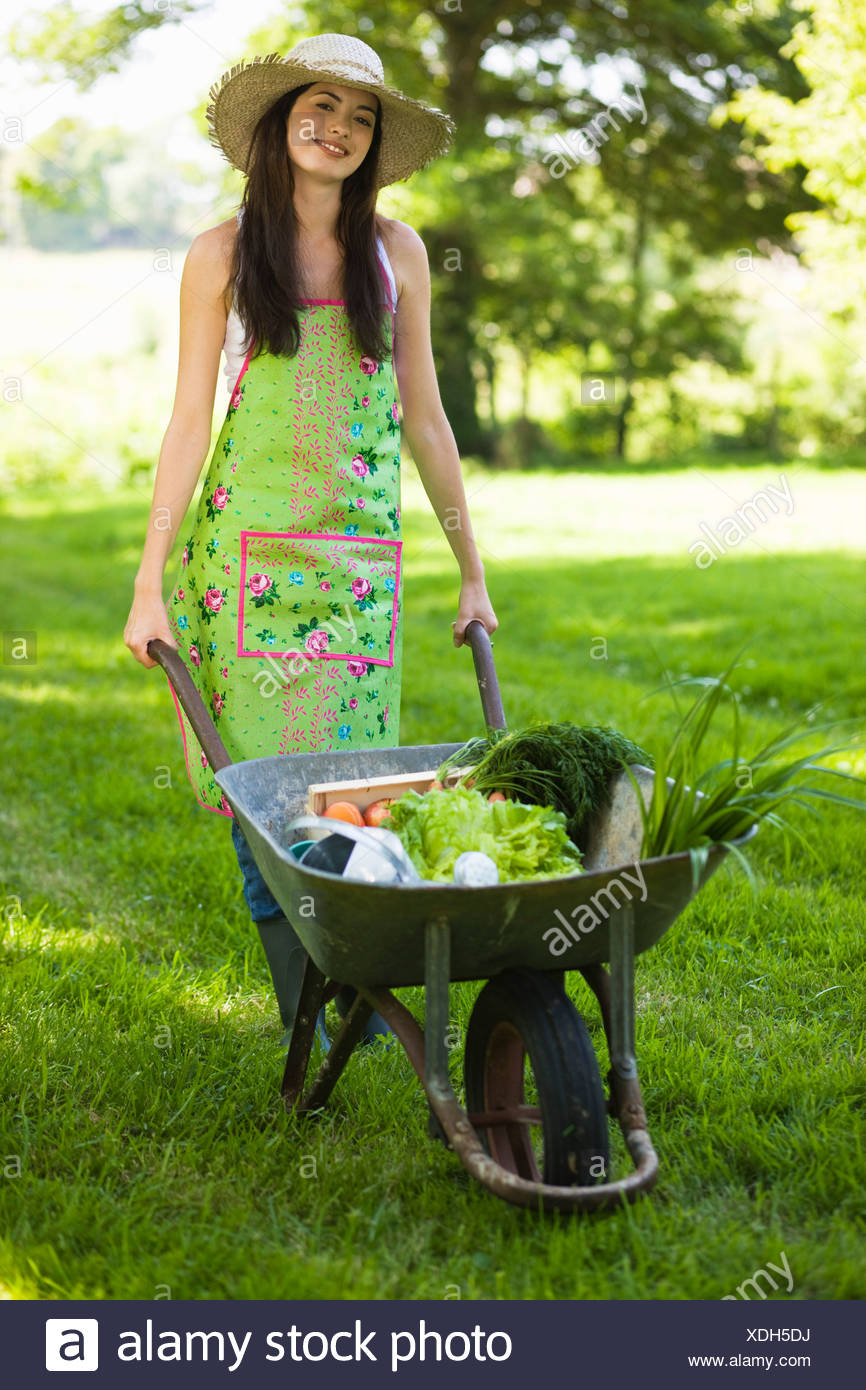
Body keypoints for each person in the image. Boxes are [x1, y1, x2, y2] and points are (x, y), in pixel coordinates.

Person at [123, 32, 498, 1051]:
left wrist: (471, 571)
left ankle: (352, 985)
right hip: (244, 562)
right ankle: (311, 1003)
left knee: (344, 785)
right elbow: (188, 425)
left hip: (356, 569)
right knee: (259, 790)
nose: (336, 129)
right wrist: (147, 580)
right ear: (281, 123)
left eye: (359, 116)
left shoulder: (399, 251)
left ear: (373, 141)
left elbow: (425, 419)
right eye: (318, 107)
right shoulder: (219, 254)